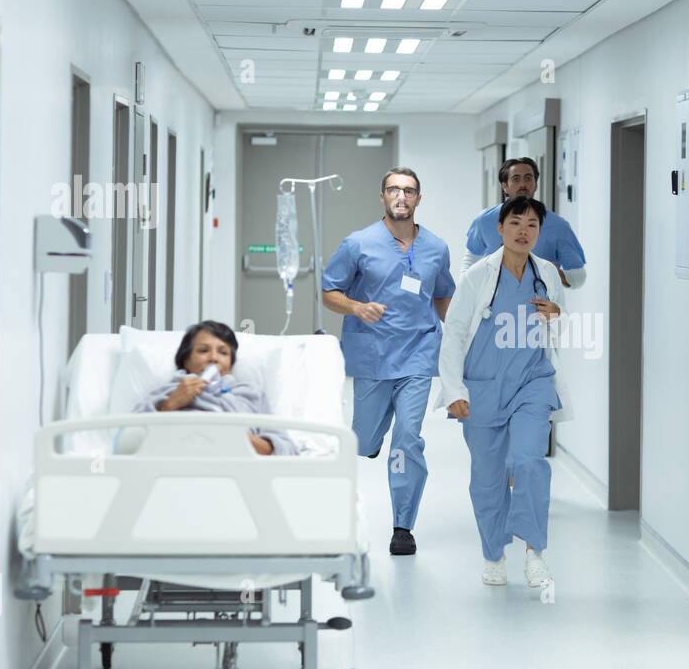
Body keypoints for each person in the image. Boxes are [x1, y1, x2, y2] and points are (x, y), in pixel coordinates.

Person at [436, 196, 572, 587]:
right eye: (516, 222)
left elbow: (560, 329)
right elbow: (455, 334)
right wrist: (453, 389)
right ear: (500, 228)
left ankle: (534, 552)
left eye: (532, 224)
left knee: (529, 461)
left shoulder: (545, 272)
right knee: (487, 478)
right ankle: (493, 553)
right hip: (481, 388)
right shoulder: (478, 276)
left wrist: (558, 316)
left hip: (533, 382)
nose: (524, 230)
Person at [321, 167, 455, 556]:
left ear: (418, 199)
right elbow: (329, 292)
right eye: (394, 190)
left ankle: (403, 526)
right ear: (382, 196)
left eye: (409, 191)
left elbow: (444, 296)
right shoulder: (357, 244)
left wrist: (464, 343)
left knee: (408, 439)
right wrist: (357, 307)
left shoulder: (435, 247)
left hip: (419, 352)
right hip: (373, 354)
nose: (401, 197)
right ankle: (372, 439)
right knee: (363, 441)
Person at [134, 320, 297, 456]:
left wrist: (238, 437)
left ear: (231, 364)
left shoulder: (250, 395)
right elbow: (130, 440)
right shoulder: (167, 393)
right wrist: (170, 405)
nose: (213, 358)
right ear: (185, 360)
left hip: (238, 471)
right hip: (176, 467)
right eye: (203, 351)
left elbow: (287, 450)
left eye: (223, 353)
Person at [463, 157, 587, 288]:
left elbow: (579, 275)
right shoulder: (485, 220)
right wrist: (466, 293)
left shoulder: (558, 226)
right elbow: (469, 261)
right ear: (504, 186)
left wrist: (558, 275)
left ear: (536, 184)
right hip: (493, 304)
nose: (523, 184)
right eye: (516, 179)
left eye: (528, 178)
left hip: (539, 304)